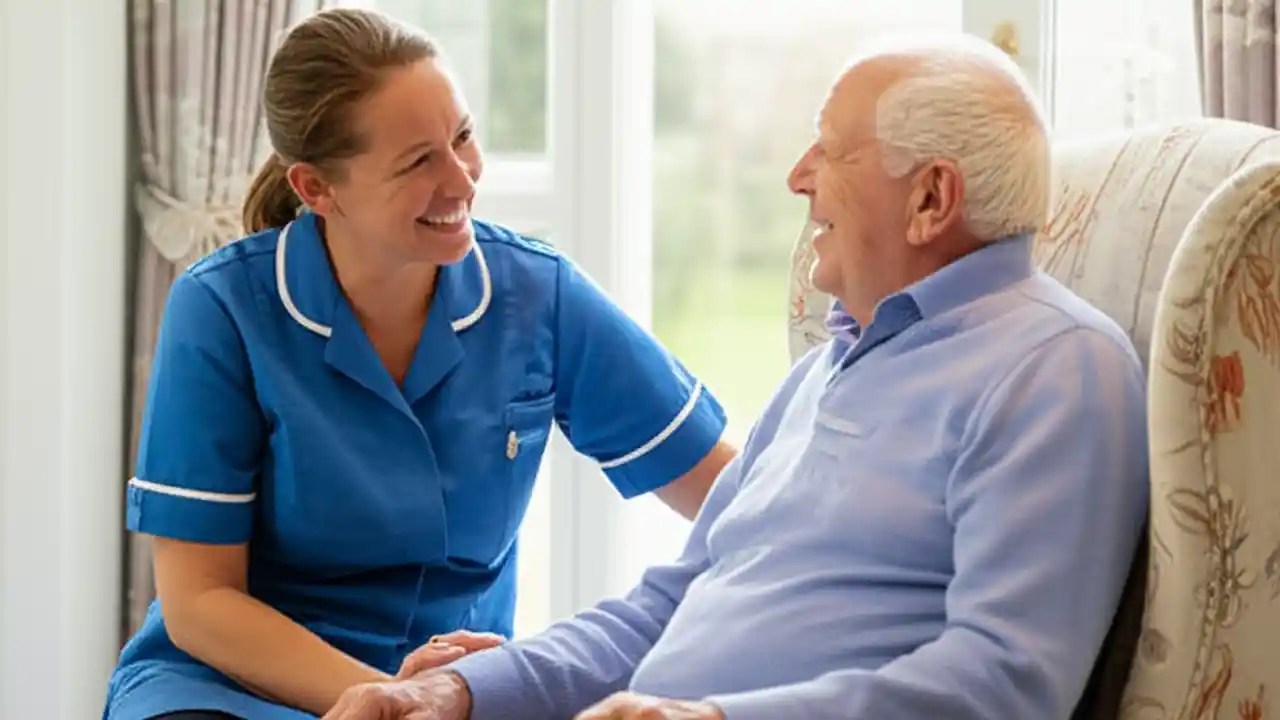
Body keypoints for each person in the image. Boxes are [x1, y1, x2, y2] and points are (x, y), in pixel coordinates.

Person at [322, 31, 1151, 720]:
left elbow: (1006, 684)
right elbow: (667, 605)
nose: (798, 177)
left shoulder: (1055, 366)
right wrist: (457, 692)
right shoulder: (828, 367)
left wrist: (713, 718)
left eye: (831, 150)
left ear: (931, 199)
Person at [102, 9, 736, 720]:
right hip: (232, 689)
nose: (462, 180)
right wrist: (390, 700)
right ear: (316, 189)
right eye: (417, 162)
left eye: (462, 136)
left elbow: (745, 500)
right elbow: (199, 601)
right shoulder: (223, 307)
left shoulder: (535, 293)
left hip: (447, 696)